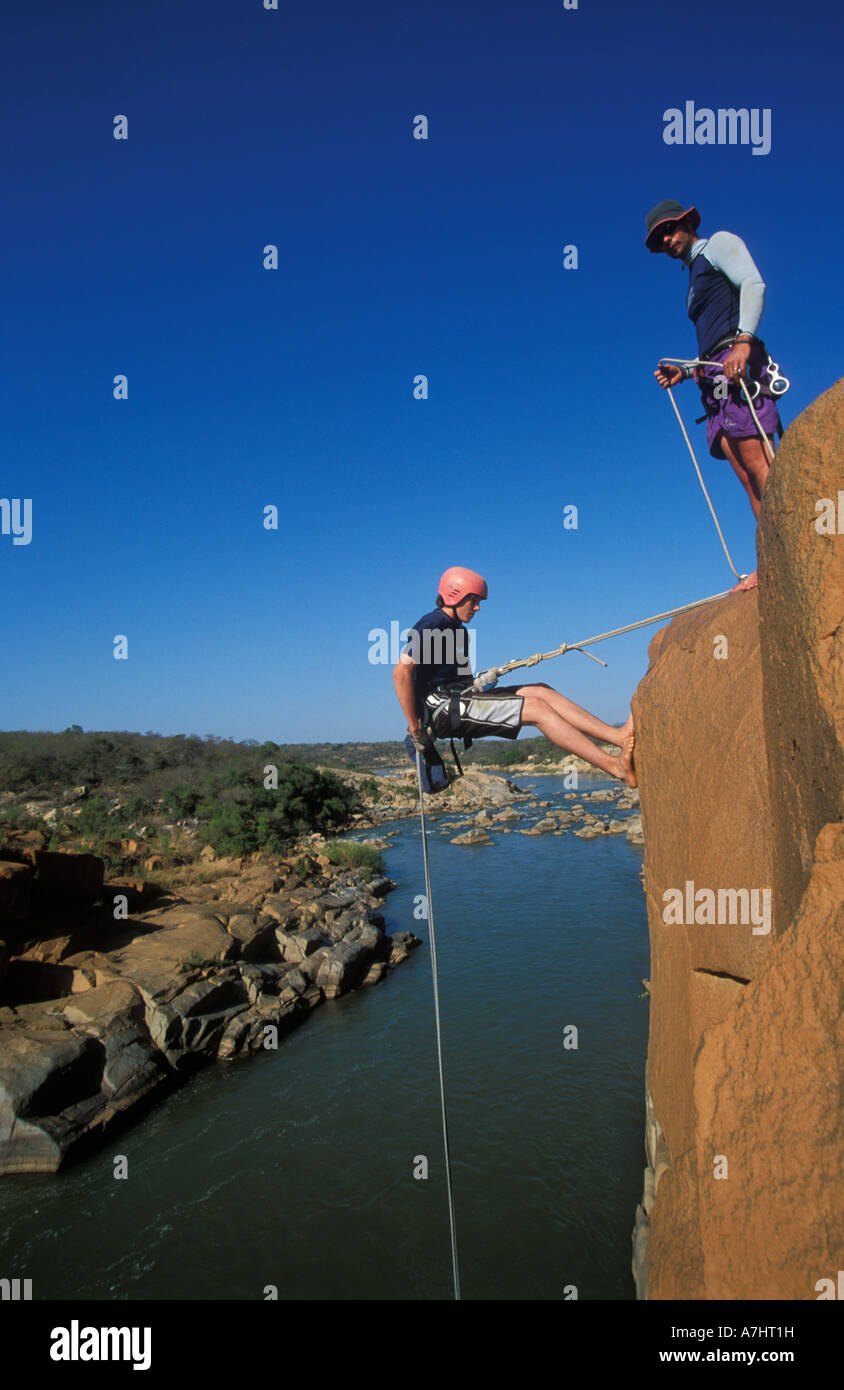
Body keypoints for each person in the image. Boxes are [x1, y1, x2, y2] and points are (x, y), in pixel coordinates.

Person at [645, 199, 784, 592]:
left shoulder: (719, 244)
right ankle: (772, 558)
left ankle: (792, 542)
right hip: (713, 372)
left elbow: (753, 284)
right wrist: (686, 370)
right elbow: (709, 341)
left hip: (737, 359)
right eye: (660, 237)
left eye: (670, 229)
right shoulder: (692, 279)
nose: (667, 239)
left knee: (758, 458)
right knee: (742, 470)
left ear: (688, 222)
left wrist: (744, 342)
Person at [392, 566, 637, 787]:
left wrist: (478, 682)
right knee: (538, 709)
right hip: (442, 711)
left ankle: (617, 736)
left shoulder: (458, 632)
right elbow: (401, 672)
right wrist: (416, 729)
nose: (477, 607)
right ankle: (616, 768)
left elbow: (452, 681)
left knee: (541, 691)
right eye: (473, 600)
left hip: (455, 700)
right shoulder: (433, 623)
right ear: (454, 595)